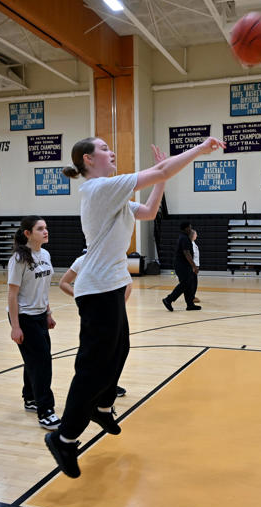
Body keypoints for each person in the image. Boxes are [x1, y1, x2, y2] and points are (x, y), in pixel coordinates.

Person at [45, 135, 225, 478]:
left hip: (111, 286)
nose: (111, 151)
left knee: (120, 350)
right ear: (87, 159)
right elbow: (161, 171)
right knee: (93, 367)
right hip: (96, 288)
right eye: (104, 149)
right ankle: (64, 438)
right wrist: (200, 149)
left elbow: (150, 211)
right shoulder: (99, 189)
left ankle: (101, 407)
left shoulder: (113, 196)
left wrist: (162, 178)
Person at [7, 215, 59, 430]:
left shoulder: (45, 254)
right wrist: (15, 326)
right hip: (24, 317)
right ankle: (45, 412)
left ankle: (30, 398)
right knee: (42, 363)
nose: (45, 231)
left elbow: (43, 289)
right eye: (40, 229)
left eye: (46, 228)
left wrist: (48, 313)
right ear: (28, 233)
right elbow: (12, 295)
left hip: (39, 315)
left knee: (35, 360)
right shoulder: (19, 259)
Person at [58, 252, 129, 398]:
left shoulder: (113, 259)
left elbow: (128, 284)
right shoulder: (82, 260)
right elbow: (63, 282)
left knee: (120, 349)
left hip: (113, 310)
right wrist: (79, 294)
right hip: (93, 311)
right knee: (97, 351)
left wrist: (119, 306)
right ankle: (95, 389)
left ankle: (110, 385)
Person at [161, 222, 200, 311]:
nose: (191, 229)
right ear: (186, 228)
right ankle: (168, 299)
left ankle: (190, 304)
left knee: (188, 284)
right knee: (185, 283)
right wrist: (194, 266)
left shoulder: (185, 237)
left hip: (184, 265)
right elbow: (186, 253)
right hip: (181, 265)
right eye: (190, 227)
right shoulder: (184, 238)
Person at [191, 229, 201, 303]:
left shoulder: (193, 243)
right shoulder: (191, 244)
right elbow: (191, 256)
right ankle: (191, 297)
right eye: (196, 234)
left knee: (194, 282)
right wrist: (194, 267)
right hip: (192, 267)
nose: (197, 235)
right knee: (193, 283)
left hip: (195, 266)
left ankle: (192, 296)